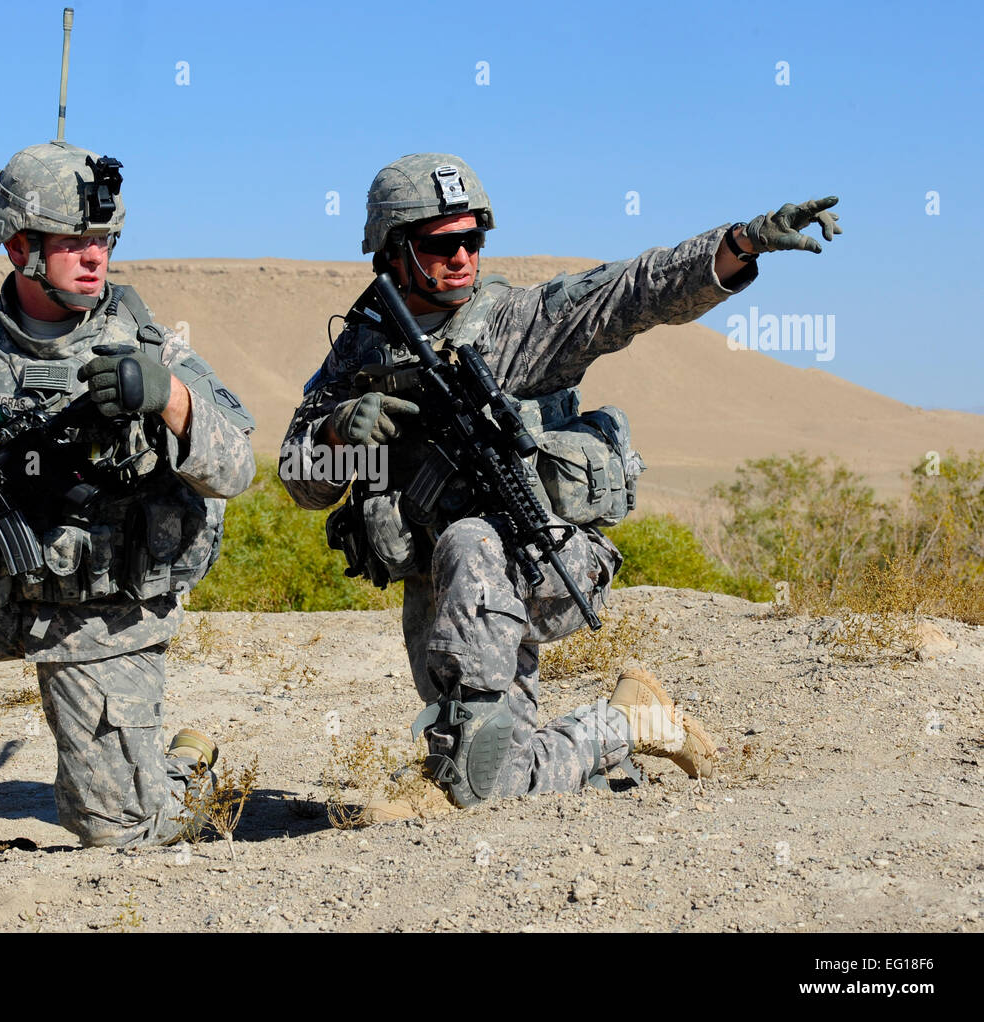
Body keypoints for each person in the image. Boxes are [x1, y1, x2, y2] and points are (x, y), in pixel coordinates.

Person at [280, 153, 840, 808]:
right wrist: (338, 434)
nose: (463, 257)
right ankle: (618, 724)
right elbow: (300, 479)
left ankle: (615, 728)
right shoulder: (358, 352)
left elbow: (633, 292)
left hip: (540, 559)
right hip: (445, 593)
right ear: (394, 249)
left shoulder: (522, 322)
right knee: (484, 771)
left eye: (472, 238)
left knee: (480, 784)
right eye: (442, 243)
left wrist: (739, 246)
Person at [0, 140, 255, 871]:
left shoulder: (152, 350)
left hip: (106, 607)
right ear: (20, 247)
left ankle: (185, 772)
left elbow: (237, 467)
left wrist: (171, 397)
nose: (95, 258)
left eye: (104, 241)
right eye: (74, 243)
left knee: (118, 832)